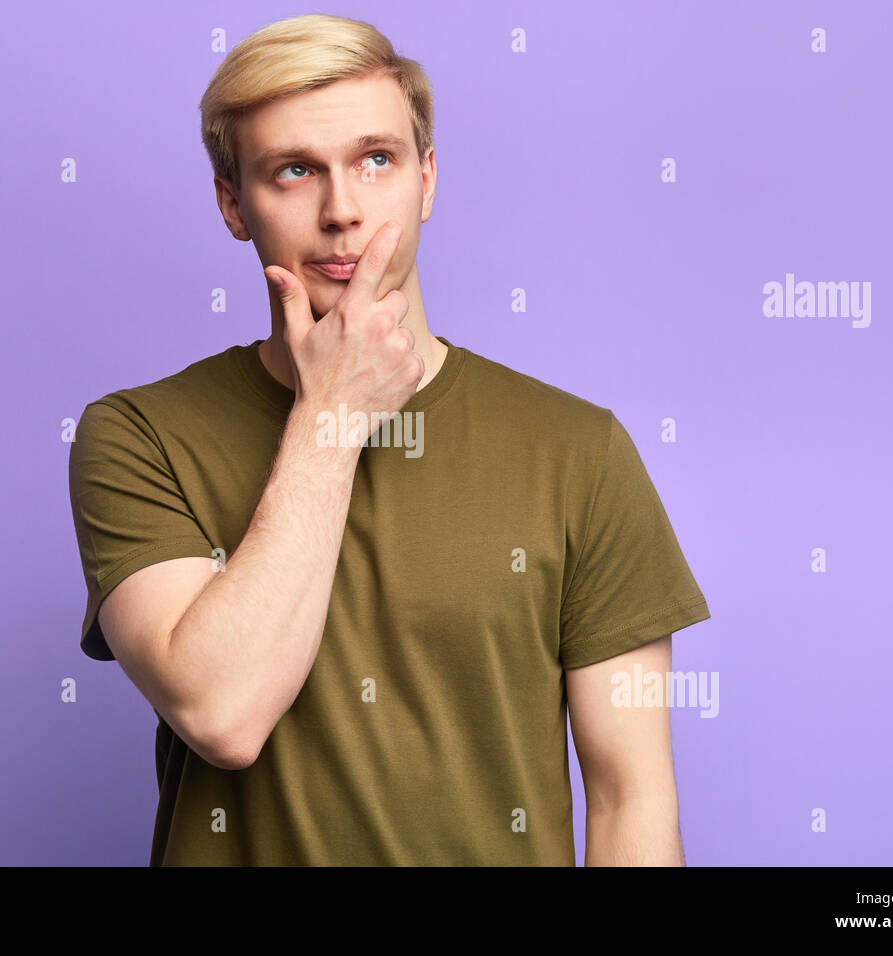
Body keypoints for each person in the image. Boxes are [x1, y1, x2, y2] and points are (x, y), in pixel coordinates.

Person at [67, 12, 711, 866]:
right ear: (232, 203)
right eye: (294, 170)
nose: (343, 211)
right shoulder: (136, 437)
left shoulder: (580, 451)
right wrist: (330, 415)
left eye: (377, 159)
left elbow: (632, 804)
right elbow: (222, 714)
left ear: (427, 179)